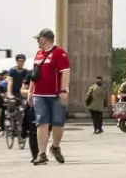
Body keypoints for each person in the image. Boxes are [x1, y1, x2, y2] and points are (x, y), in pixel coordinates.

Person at [28, 28, 71, 166]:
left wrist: (64, 91)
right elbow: (34, 75)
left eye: (38, 39)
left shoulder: (60, 53)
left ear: (44, 39)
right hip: (39, 95)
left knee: (58, 123)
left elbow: (65, 73)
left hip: (56, 94)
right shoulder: (38, 54)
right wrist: (30, 91)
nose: (37, 42)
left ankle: (55, 147)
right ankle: (42, 154)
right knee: (42, 122)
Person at [6, 54, 31, 150]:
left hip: (22, 95)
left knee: (22, 114)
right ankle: (9, 125)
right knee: (11, 110)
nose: (21, 63)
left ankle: (21, 137)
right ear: (16, 61)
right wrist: (9, 93)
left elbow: (27, 84)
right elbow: (10, 82)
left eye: (22, 61)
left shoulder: (25, 72)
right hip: (13, 94)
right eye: (19, 61)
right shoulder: (12, 71)